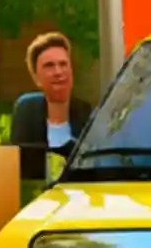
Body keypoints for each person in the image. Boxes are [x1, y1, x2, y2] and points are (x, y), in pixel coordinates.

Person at [9, 32, 94, 180]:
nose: (58, 72)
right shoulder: (27, 114)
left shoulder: (89, 117)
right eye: (49, 66)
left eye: (63, 64)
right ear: (36, 78)